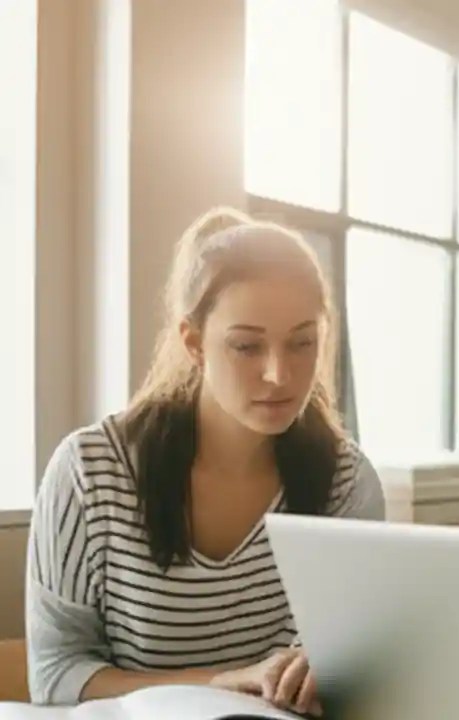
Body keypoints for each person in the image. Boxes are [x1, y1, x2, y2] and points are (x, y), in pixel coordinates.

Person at [25, 208, 385, 710]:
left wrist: (328, 674)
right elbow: (55, 673)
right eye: (246, 346)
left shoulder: (346, 482)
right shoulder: (88, 472)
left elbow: (364, 667)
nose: (279, 374)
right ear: (194, 343)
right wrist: (218, 681)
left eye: (302, 342)